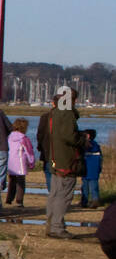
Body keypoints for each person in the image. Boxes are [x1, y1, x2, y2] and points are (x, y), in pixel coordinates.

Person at [46, 86, 87, 238]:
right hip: (66, 160)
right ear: (73, 100)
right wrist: (83, 139)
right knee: (64, 194)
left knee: (55, 193)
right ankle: (57, 227)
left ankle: (51, 224)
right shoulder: (67, 114)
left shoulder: (54, 113)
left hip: (55, 158)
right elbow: (69, 136)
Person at [6, 117, 34, 207]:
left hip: (10, 163)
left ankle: (9, 198)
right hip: (20, 163)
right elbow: (29, 152)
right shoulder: (24, 139)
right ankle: (19, 201)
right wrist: (31, 163)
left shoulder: (9, 137)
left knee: (12, 181)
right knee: (21, 182)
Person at [37, 99, 55, 193]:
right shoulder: (66, 117)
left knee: (48, 172)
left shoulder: (45, 117)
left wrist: (40, 146)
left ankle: (52, 193)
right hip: (57, 152)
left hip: (47, 151)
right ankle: (54, 193)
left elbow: (40, 134)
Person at [81, 129, 102, 208]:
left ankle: (85, 201)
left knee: (86, 186)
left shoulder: (87, 145)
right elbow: (100, 158)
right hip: (94, 168)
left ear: (88, 136)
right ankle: (94, 200)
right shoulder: (96, 145)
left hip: (87, 167)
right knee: (93, 186)